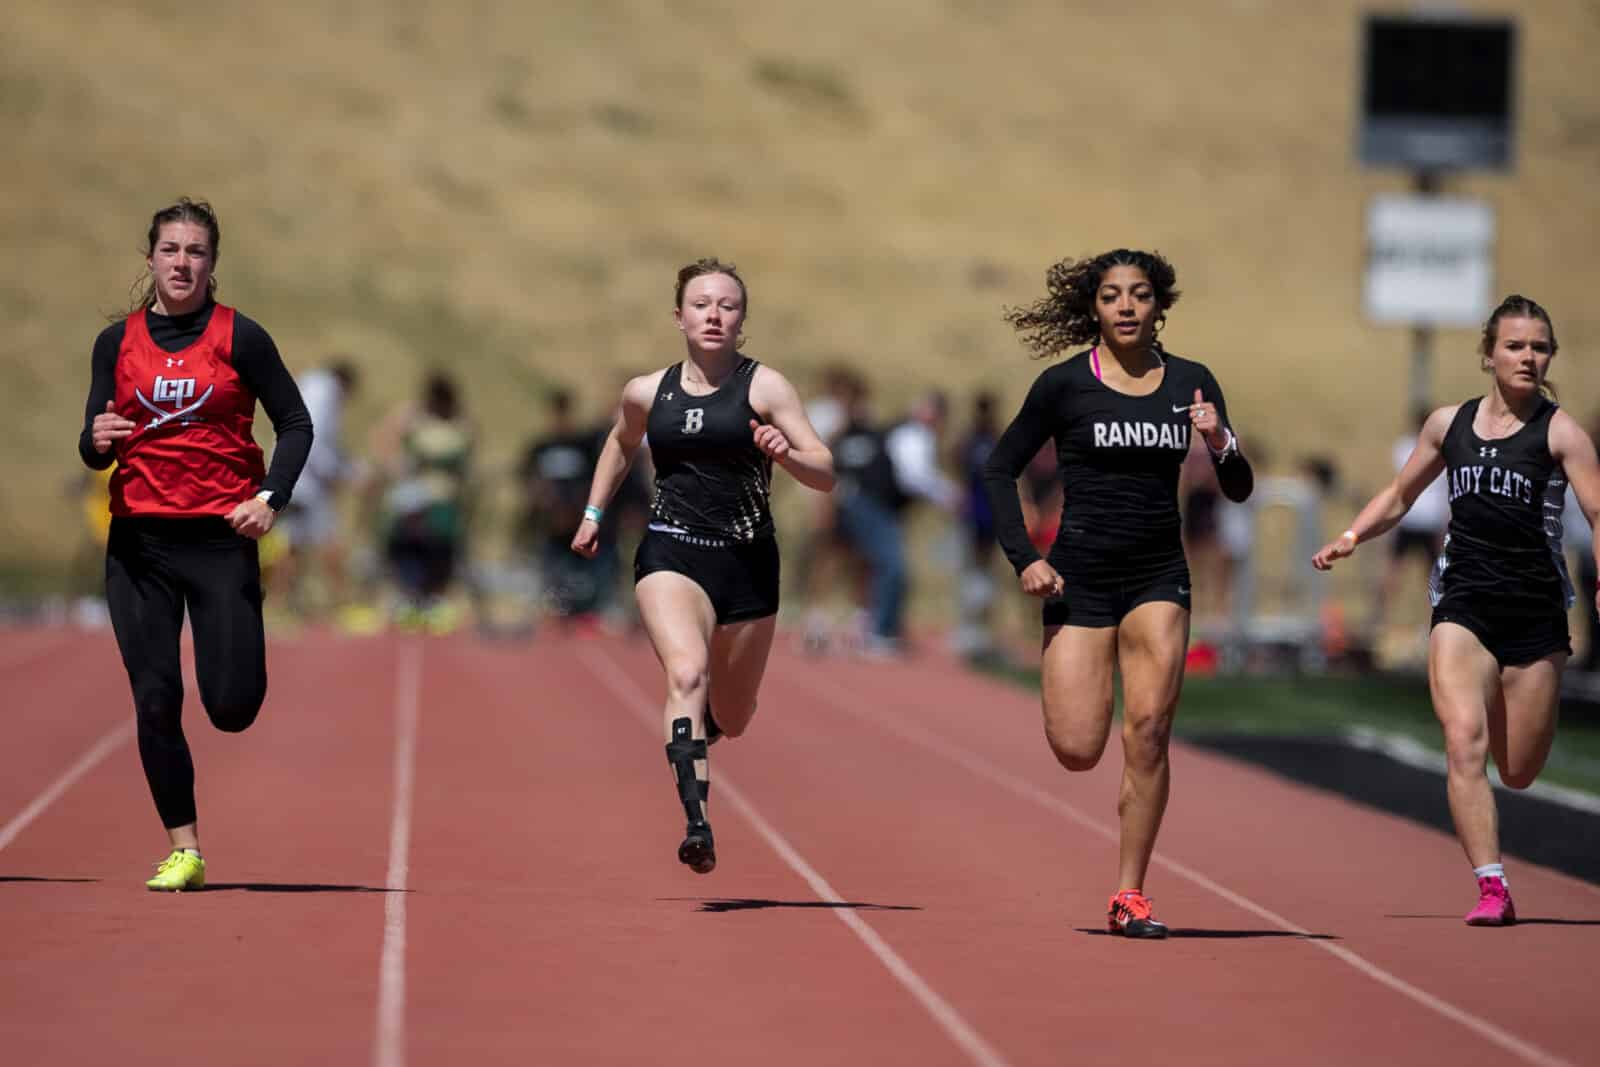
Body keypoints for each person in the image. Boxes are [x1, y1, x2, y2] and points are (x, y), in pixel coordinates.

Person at [982, 249, 1253, 938]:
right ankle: (1089, 731)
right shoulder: (1065, 385)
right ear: (1094, 309)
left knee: (1151, 732)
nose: (1126, 307)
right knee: (1077, 746)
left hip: (1160, 576)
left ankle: (1130, 893)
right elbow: (998, 468)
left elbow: (1240, 485)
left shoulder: (1193, 383)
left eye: (1139, 295)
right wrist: (1025, 558)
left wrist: (1219, 441)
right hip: (1080, 577)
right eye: (1111, 296)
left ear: (1160, 305)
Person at [1314, 295, 1600, 927]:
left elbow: (1599, 512)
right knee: (1462, 742)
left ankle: (1500, 693)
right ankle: (1492, 884)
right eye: (1516, 345)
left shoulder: (1560, 433)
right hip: (1462, 603)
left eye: (1540, 347)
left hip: (1535, 616)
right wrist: (1353, 537)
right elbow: (1400, 493)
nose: (1528, 357)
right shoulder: (1451, 425)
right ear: (1489, 354)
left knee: (1519, 770)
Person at [77, 198, 312, 890]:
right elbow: (94, 442)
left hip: (219, 537)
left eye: (196, 251)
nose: (183, 262)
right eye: (171, 249)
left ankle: (236, 658)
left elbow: (295, 424)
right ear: (150, 258)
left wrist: (270, 498)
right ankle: (185, 848)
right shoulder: (115, 344)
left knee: (232, 706)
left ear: (213, 264)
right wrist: (94, 442)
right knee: (154, 696)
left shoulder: (242, 338)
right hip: (139, 543)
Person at [572, 258, 833, 874]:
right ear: (679, 317)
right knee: (685, 673)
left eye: (727, 306)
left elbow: (824, 469)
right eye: (701, 304)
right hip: (671, 550)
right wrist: (593, 512)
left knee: (735, 718)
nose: (714, 315)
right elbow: (620, 442)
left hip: (747, 562)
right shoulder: (646, 391)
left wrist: (787, 454)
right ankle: (697, 823)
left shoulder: (765, 387)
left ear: (742, 321)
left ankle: (712, 720)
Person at [375, 371, 473, 630]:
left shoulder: (460, 423)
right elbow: (386, 438)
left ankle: (435, 603)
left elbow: (467, 456)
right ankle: (409, 601)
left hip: (445, 500)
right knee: (409, 550)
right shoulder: (415, 418)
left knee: (442, 552)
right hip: (414, 501)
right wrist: (395, 467)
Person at [270, 357, 360, 618]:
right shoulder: (326, 394)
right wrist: (338, 474)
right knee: (329, 541)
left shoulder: (310, 385)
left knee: (292, 544)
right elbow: (316, 439)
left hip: (291, 474)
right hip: (308, 480)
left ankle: (278, 604)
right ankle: (344, 605)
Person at [1370, 407, 1450, 645]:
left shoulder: (1415, 448)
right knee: (1398, 574)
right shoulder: (1414, 448)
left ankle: (1432, 625)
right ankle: (1380, 621)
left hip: (1423, 520)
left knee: (1431, 577)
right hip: (1416, 519)